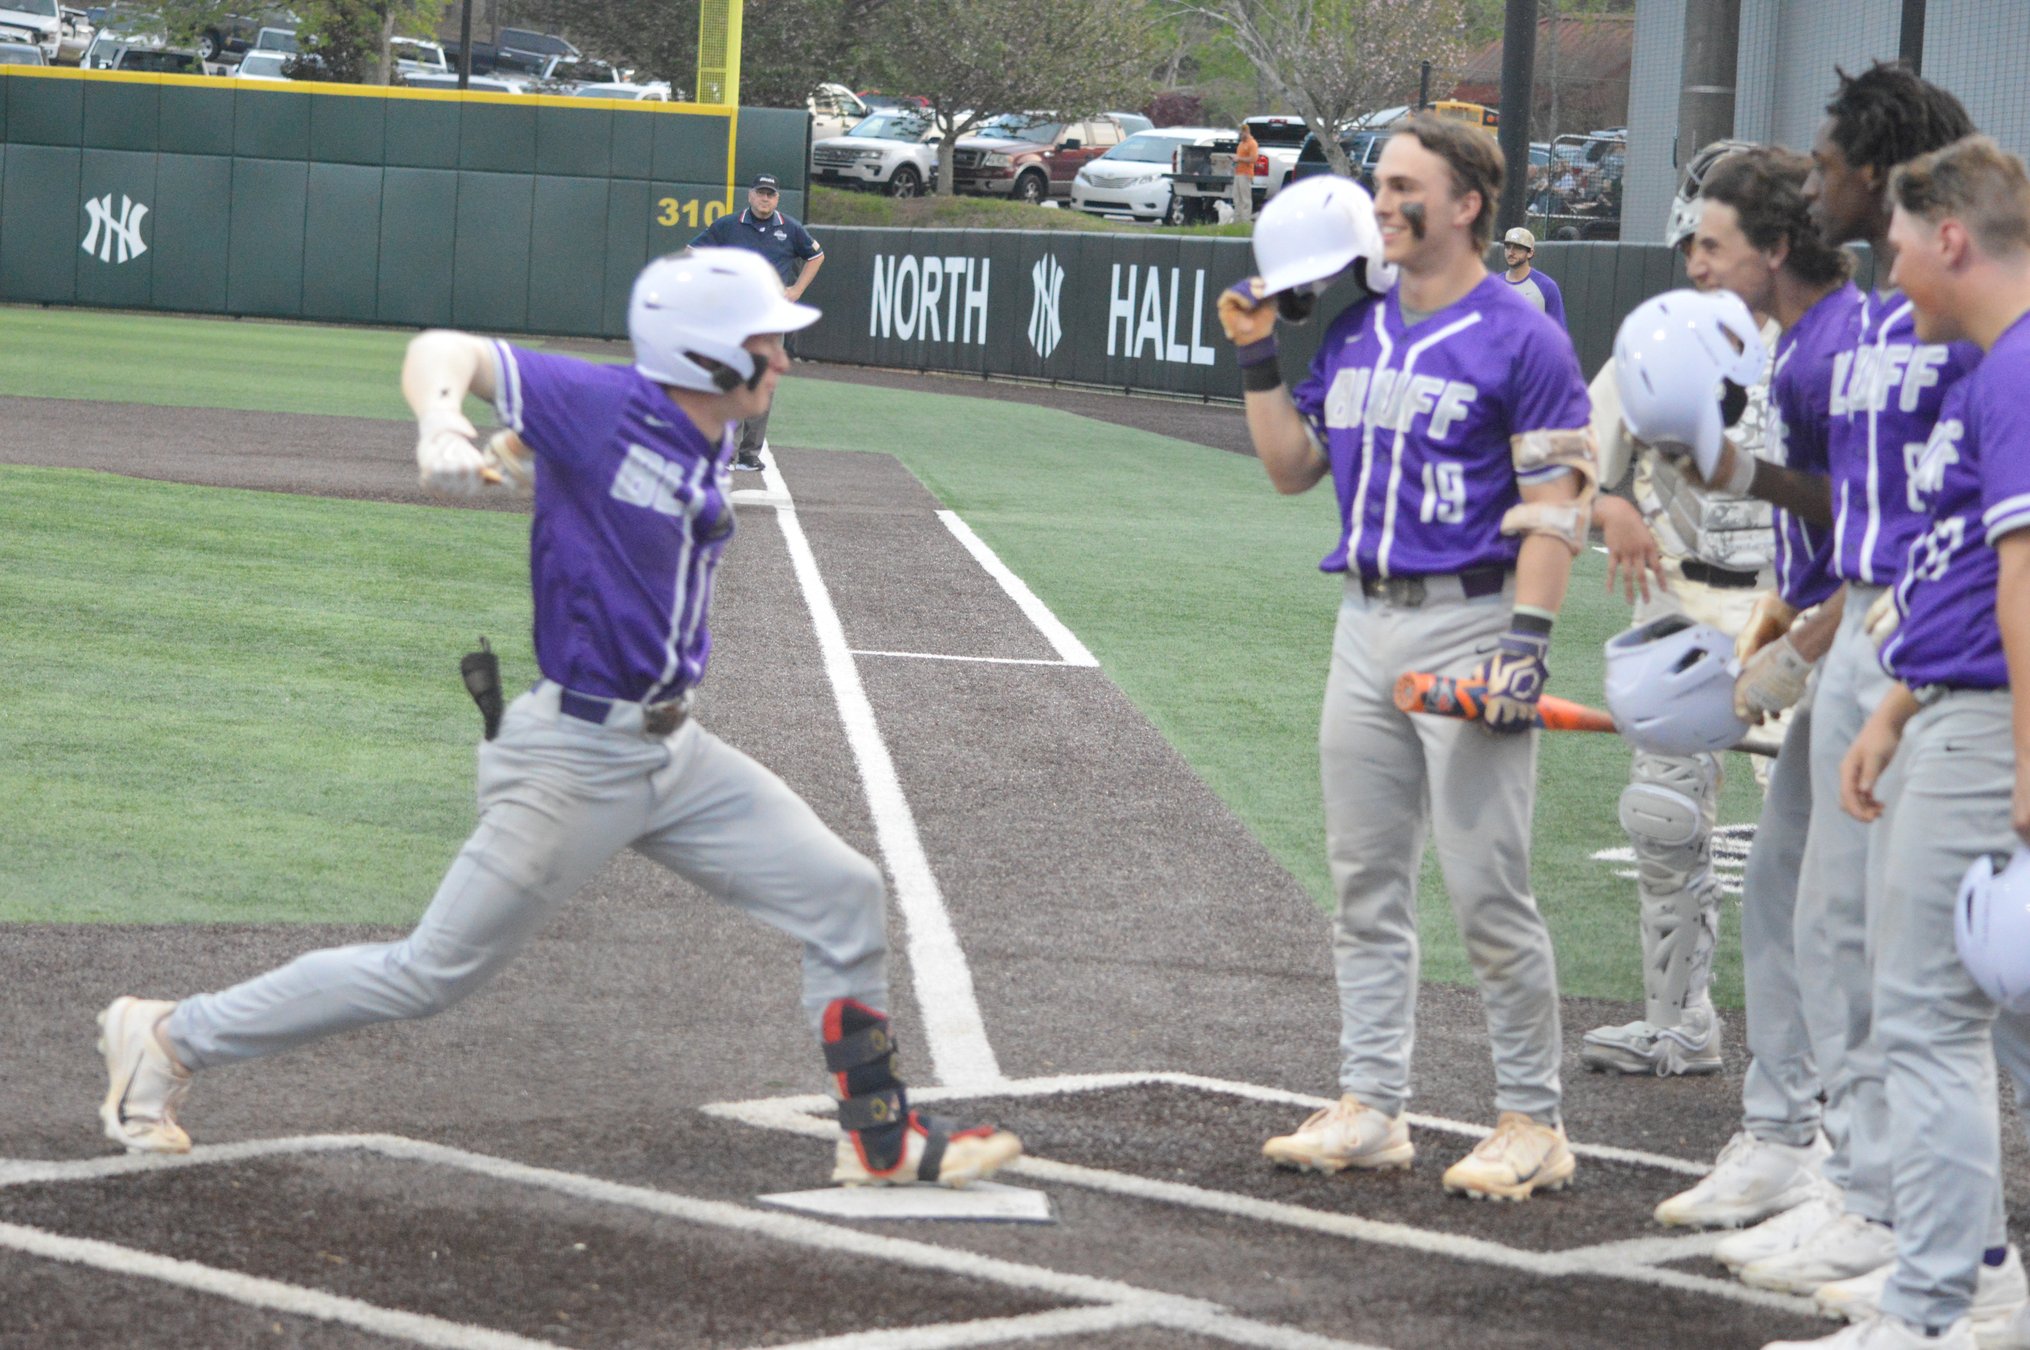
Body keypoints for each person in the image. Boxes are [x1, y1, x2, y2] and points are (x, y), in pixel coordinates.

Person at [94, 247, 1021, 1192]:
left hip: (673, 754)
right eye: (764, 344)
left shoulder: (704, 426)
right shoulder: (607, 404)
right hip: (572, 760)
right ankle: (166, 1038)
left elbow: (601, 481)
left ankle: (877, 1139)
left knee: (844, 894)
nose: (783, 360)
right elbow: (444, 351)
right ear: (704, 355)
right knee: (427, 973)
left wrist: (518, 449)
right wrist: (445, 427)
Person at [1217, 119, 1596, 1201]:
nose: (1379, 204)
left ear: (1466, 204)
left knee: (1486, 888)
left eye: (1400, 187)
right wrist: (1256, 352)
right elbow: (1290, 469)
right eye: (1379, 186)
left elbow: (1555, 506)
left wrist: (1526, 645)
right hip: (1363, 624)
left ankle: (1533, 1120)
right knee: (1365, 883)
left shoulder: (1523, 337)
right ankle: (1372, 1104)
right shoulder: (1353, 332)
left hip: (1472, 622)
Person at [1768, 131, 2030, 1350]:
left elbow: (2023, 582)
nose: (1886, 271)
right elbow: (1964, 568)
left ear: (1952, 239)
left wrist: (2021, 759)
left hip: (1989, 727)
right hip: (1950, 705)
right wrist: (1891, 706)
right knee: (1956, 1012)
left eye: (1899, 246)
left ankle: (1935, 1309)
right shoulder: (1990, 366)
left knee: (1926, 1016)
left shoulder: (2013, 367)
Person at [1629, 150, 1851, 1235]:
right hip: (1827, 633)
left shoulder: (1844, 348)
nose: (1692, 263)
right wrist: (1781, 628)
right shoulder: (1799, 345)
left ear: (1772, 248)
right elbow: (1831, 516)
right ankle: (1783, 1138)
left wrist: (1796, 650)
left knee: (1904, 935)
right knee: (1783, 885)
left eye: (1710, 243)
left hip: (1911, 662)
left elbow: (1900, 540)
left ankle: (1863, 1182)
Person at [1581, 143, 1833, 1092]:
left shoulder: (1824, 346)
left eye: (1715, 243)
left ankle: (1820, 1051)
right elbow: (1574, 457)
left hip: (1799, 604)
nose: (1698, 261)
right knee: (1664, 816)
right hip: (1682, 598)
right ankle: (1679, 1022)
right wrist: (1606, 502)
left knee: (1819, 839)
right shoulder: (1653, 342)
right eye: (1696, 243)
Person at [689, 173, 825, 471]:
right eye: (761, 193)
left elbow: (816, 256)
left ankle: (749, 453)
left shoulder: (790, 228)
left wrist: (796, 290)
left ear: (777, 198)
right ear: (750, 195)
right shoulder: (729, 225)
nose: (765, 198)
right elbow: (693, 252)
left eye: (770, 194)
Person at [1500, 227, 1566, 327]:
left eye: (1518, 248)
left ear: (1530, 253)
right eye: (1507, 247)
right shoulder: (1494, 285)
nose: (1511, 252)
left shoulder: (1546, 287)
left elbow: (1558, 330)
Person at [1233, 122, 1259, 226]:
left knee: (1245, 199)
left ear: (1246, 132)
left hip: (1246, 173)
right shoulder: (1241, 144)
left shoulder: (1252, 144)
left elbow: (1253, 159)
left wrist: (1240, 159)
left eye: (1241, 133)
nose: (1240, 135)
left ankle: (1245, 222)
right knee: (1237, 198)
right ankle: (1237, 221)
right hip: (1238, 173)